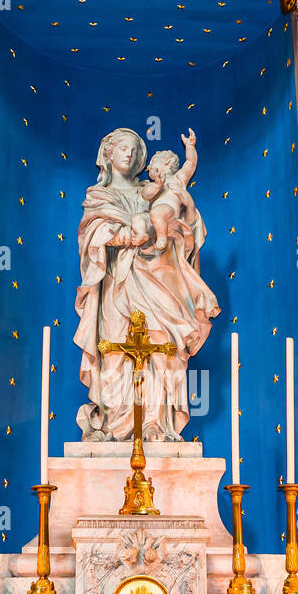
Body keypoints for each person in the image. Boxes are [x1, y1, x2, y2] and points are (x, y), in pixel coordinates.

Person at [73, 127, 219, 442]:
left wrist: (183, 215)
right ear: (107, 154)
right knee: (112, 350)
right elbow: (90, 237)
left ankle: (154, 422)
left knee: (160, 347)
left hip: (156, 276)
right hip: (115, 282)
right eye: (122, 148)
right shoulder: (98, 196)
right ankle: (112, 424)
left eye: (133, 150)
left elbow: (189, 230)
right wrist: (123, 236)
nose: (129, 154)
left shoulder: (153, 189)